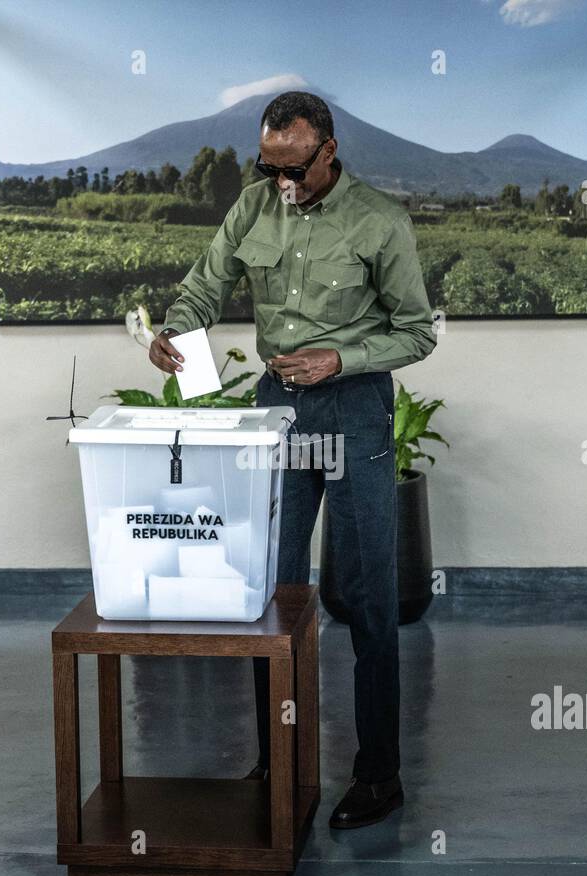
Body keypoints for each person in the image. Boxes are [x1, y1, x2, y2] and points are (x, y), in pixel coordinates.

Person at [151, 91, 436, 829]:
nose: (283, 183)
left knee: (370, 596)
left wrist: (341, 356)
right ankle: (280, 757)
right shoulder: (252, 208)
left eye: (296, 169)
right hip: (279, 413)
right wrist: (174, 329)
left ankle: (379, 774)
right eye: (269, 166)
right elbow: (207, 284)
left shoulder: (381, 220)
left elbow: (417, 332)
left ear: (329, 149)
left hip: (352, 409)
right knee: (271, 593)